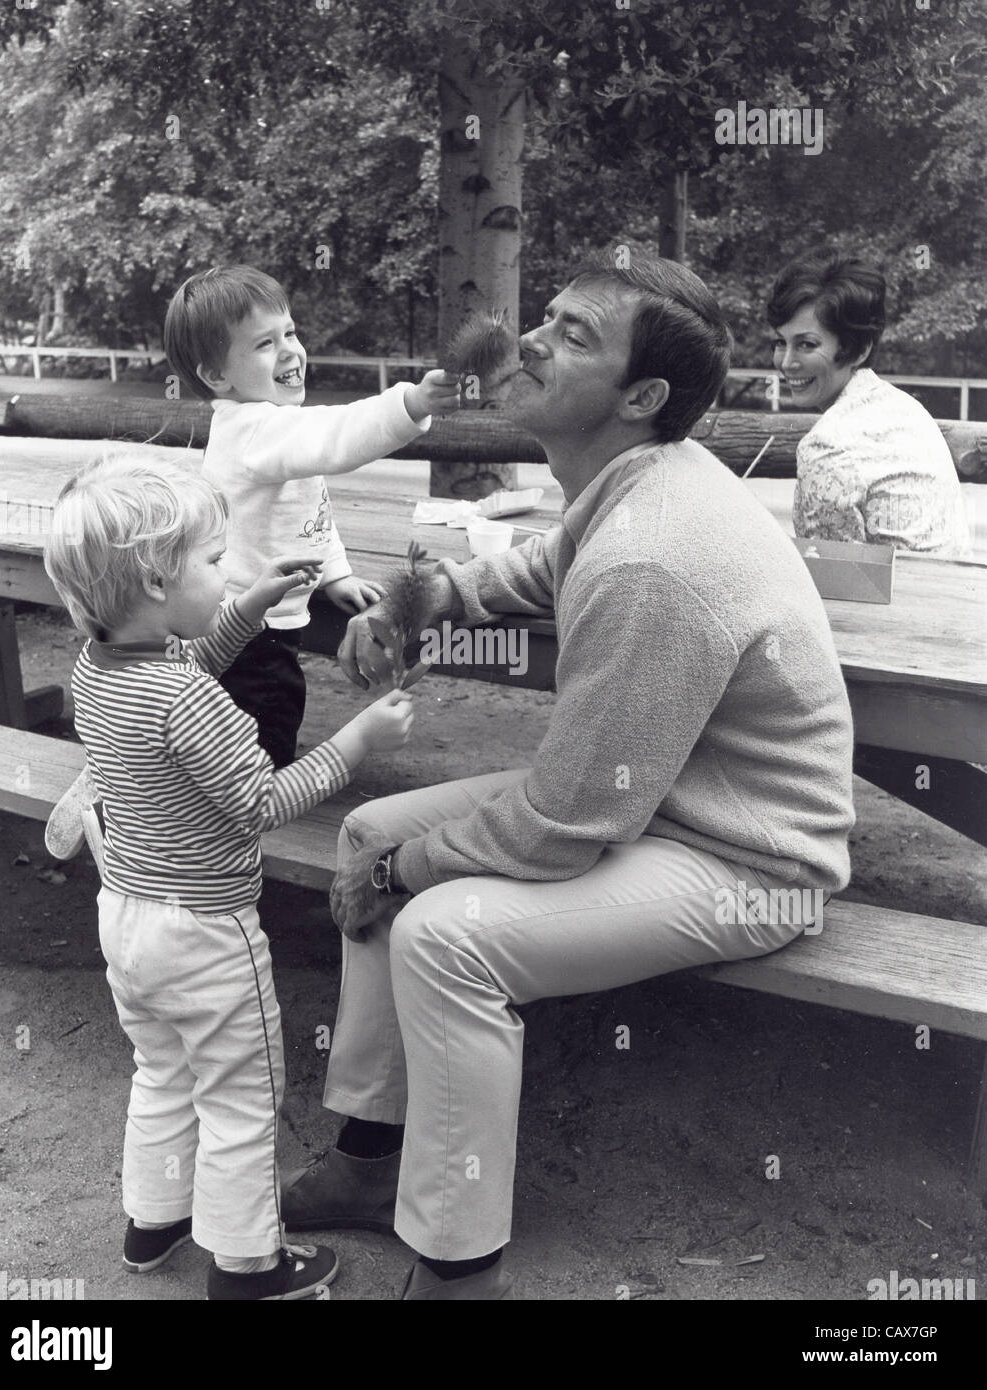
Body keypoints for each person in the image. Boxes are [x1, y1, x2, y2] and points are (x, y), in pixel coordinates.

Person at [280, 252, 857, 1300]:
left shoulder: (653, 557)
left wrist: (416, 870)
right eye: (546, 315)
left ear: (642, 399)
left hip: (742, 856)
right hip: (655, 811)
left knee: (441, 933)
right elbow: (540, 565)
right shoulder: (630, 483)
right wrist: (422, 597)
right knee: (366, 835)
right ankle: (370, 1162)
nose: (532, 338)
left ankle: (462, 1270)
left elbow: (571, 818)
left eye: (575, 334)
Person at [43, 456, 414, 1300]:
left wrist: (243, 610)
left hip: (128, 920)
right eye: (215, 563)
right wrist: (356, 743)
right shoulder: (190, 702)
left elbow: (185, 669)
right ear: (154, 579)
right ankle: (249, 1265)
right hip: (209, 935)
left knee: (163, 1073)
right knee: (245, 1098)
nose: (227, 571)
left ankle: (154, 1217)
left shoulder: (99, 671)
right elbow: (261, 801)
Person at [165, 263, 460, 767]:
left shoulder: (271, 427)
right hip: (250, 629)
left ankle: (182, 782)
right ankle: (250, 811)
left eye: (290, 332)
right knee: (266, 725)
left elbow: (309, 514)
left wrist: (335, 574)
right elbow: (336, 437)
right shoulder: (253, 429)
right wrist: (409, 403)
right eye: (264, 344)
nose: (290, 352)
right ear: (216, 376)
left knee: (232, 723)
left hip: (255, 617)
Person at [766, 249, 970, 555]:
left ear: (858, 350)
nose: (786, 362)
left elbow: (832, 583)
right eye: (781, 342)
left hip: (905, 600)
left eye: (807, 344)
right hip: (949, 595)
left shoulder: (827, 446)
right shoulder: (905, 408)